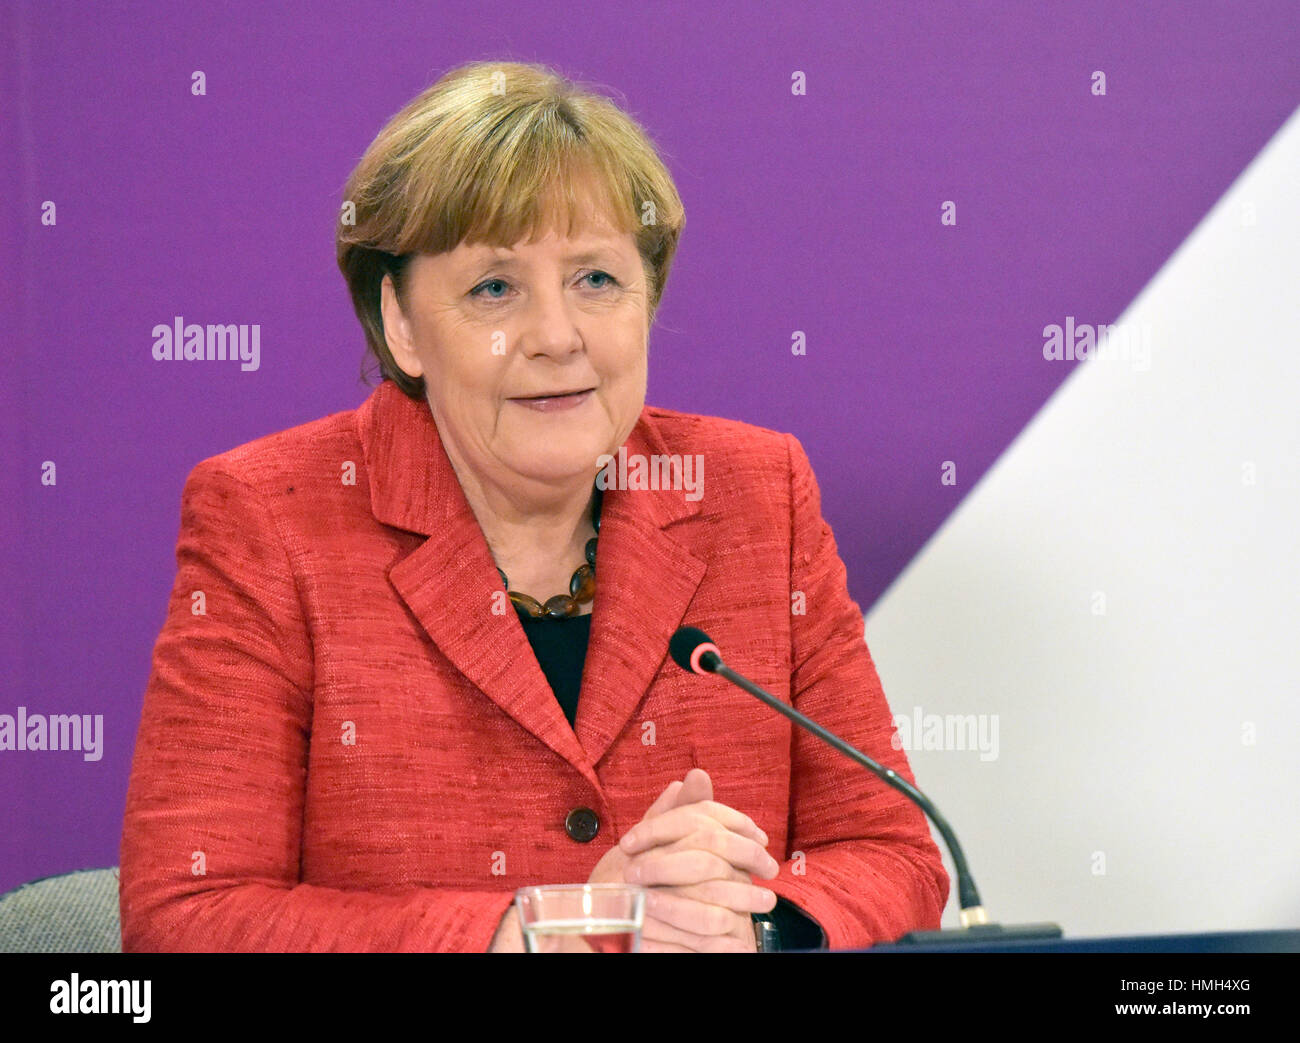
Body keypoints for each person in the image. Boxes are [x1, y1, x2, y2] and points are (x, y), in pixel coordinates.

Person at [119, 59, 948, 952]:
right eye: (494, 289)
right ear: (400, 322)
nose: (557, 337)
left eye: (596, 280)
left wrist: (754, 928)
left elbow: (893, 851)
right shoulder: (270, 519)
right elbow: (187, 921)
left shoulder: (755, 492)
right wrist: (535, 931)